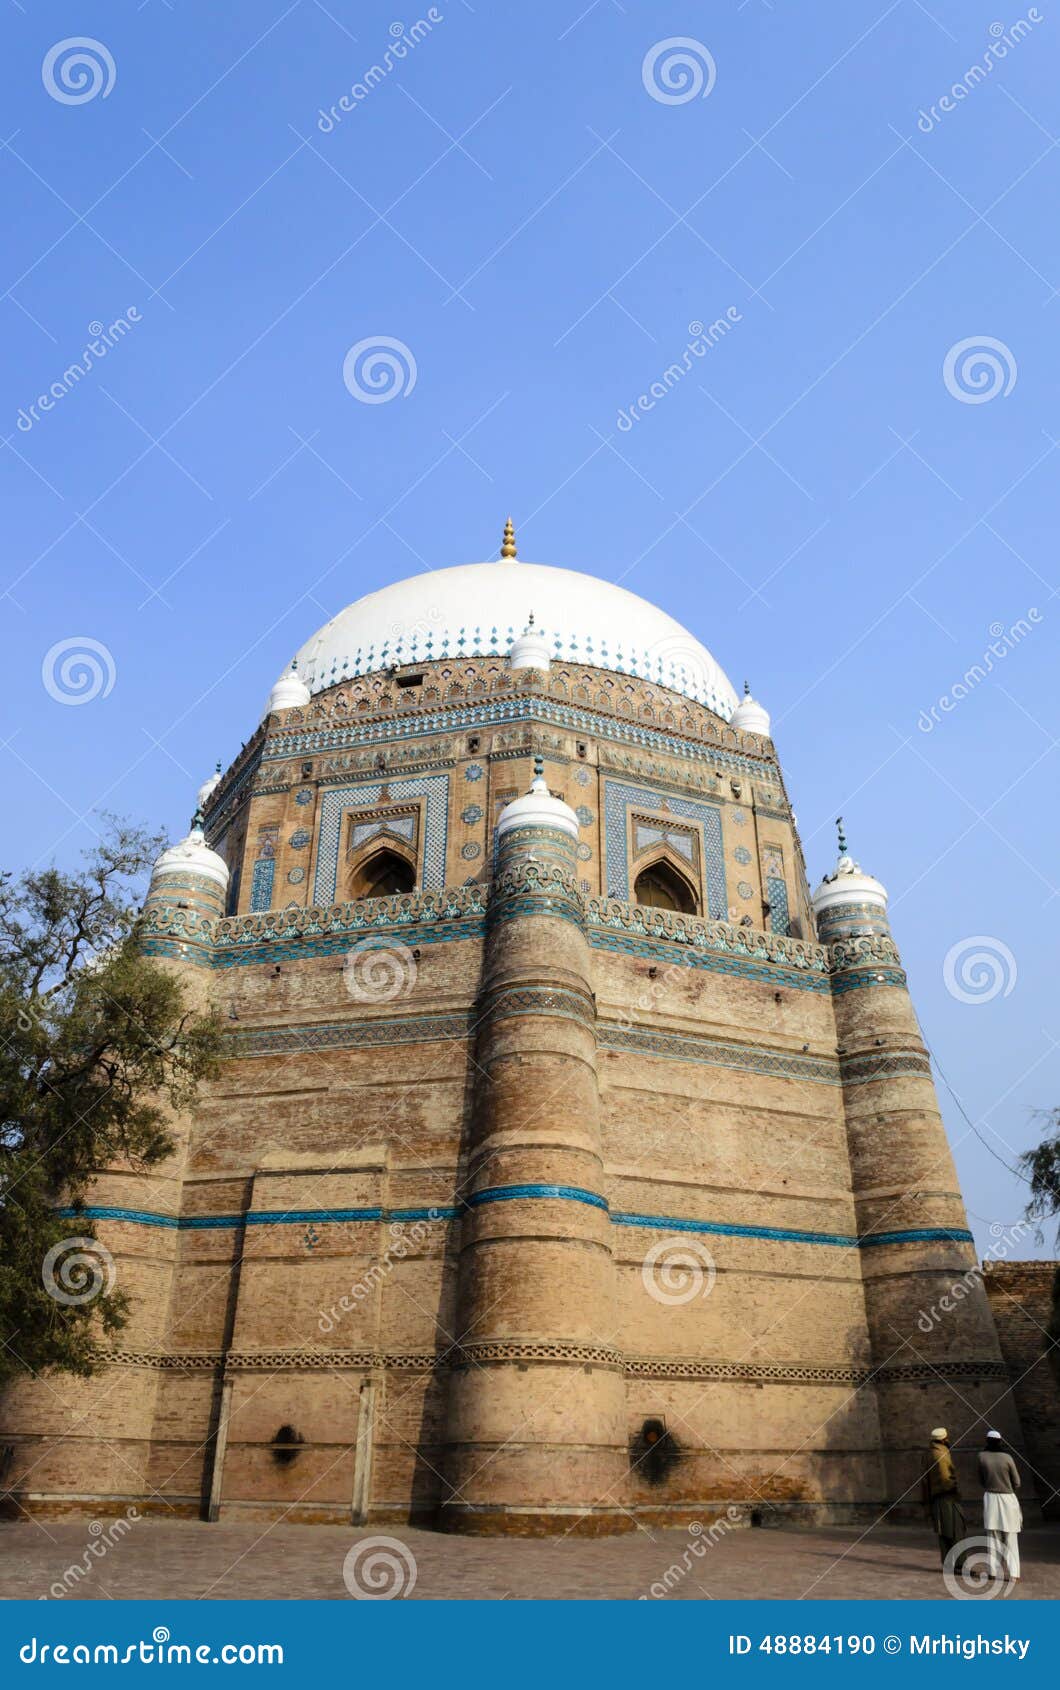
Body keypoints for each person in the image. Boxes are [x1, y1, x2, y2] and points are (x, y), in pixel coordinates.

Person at [978, 1429, 1022, 1581]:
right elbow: (1017, 1482)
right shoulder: (1007, 1457)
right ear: (1000, 1441)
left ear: (987, 1440)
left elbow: (981, 1479)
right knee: (1010, 1536)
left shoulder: (981, 1456)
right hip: (1007, 1498)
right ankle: (1014, 1574)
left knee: (992, 1536)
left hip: (990, 1498)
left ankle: (993, 1571)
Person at [921, 1427, 966, 1571]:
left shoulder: (928, 1454)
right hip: (947, 1498)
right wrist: (955, 1489)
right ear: (944, 1439)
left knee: (944, 1532)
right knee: (956, 1531)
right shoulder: (940, 1454)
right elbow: (946, 1479)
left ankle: (948, 1563)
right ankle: (959, 1564)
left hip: (937, 1499)